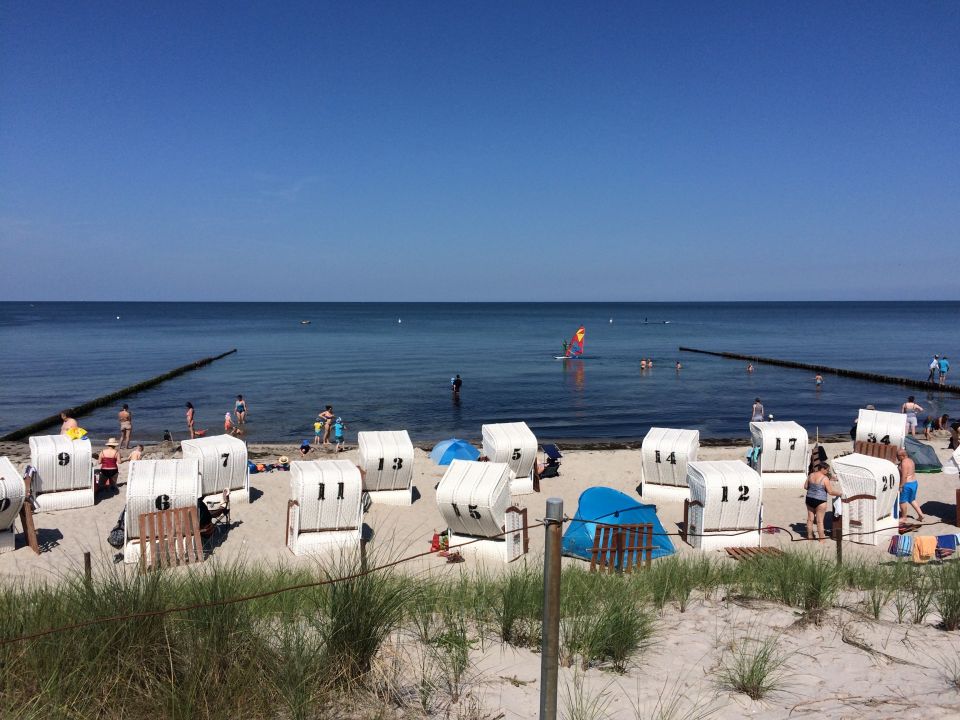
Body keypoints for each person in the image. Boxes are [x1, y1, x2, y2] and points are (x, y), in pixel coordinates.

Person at [804, 462, 841, 542]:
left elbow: (806, 487)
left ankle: (810, 537)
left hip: (809, 498)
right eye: (827, 470)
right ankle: (821, 539)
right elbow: (830, 492)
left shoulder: (811, 475)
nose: (827, 472)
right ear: (822, 469)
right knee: (820, 521)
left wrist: (813, 489)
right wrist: (840, 494)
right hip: (820, 500)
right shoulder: (825, 478)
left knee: (810, 519)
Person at [897, 449, 923, 521]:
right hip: (914, 483)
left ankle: (904, 517)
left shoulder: (904, 463)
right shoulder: (911, 460)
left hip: (907, 484)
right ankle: (921, 514)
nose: (897, 457)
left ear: (902, 455)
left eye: (897, 456)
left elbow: (904, 476)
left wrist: (901, 486)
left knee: (902, 501)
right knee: (912, 500)